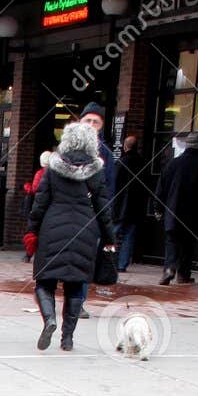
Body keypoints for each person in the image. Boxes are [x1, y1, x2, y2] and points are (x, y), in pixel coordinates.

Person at [28, 120, 116, 352]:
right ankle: (67, 339)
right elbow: (103, 207)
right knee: (75, 285)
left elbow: (40, 202)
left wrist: (32, 231)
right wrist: (109, 238)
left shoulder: (53, 168)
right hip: (84, 230)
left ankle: (49, 319)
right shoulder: (96, 170)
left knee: (44, 281)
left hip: (52, 228)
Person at [157, 132, 198, 284]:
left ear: (186, 146)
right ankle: (183, 274)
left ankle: (169, 268)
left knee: (172, 241)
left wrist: (158, 209)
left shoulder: (172, 164)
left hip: (173, 211)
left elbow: (161, 189)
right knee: (188, 243)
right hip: (195, 214)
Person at [76, 105, 116, 312]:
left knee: (85, 259)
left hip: (91, 216)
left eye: (96, 122)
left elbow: (109, 188)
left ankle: (77, 301)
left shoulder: (105, 154)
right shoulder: (67, 148)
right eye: (87, 120)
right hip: (68, 213)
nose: (91, 125)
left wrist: (105, 219)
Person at [114, 133, 149, 270]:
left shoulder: (120, 163)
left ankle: (111, 262)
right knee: (129, 235)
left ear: (125, 146)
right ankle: (122, 264)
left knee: (114, 234)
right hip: (136, 206)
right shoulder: (143, 164)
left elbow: (114, 184)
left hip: (120, 204)